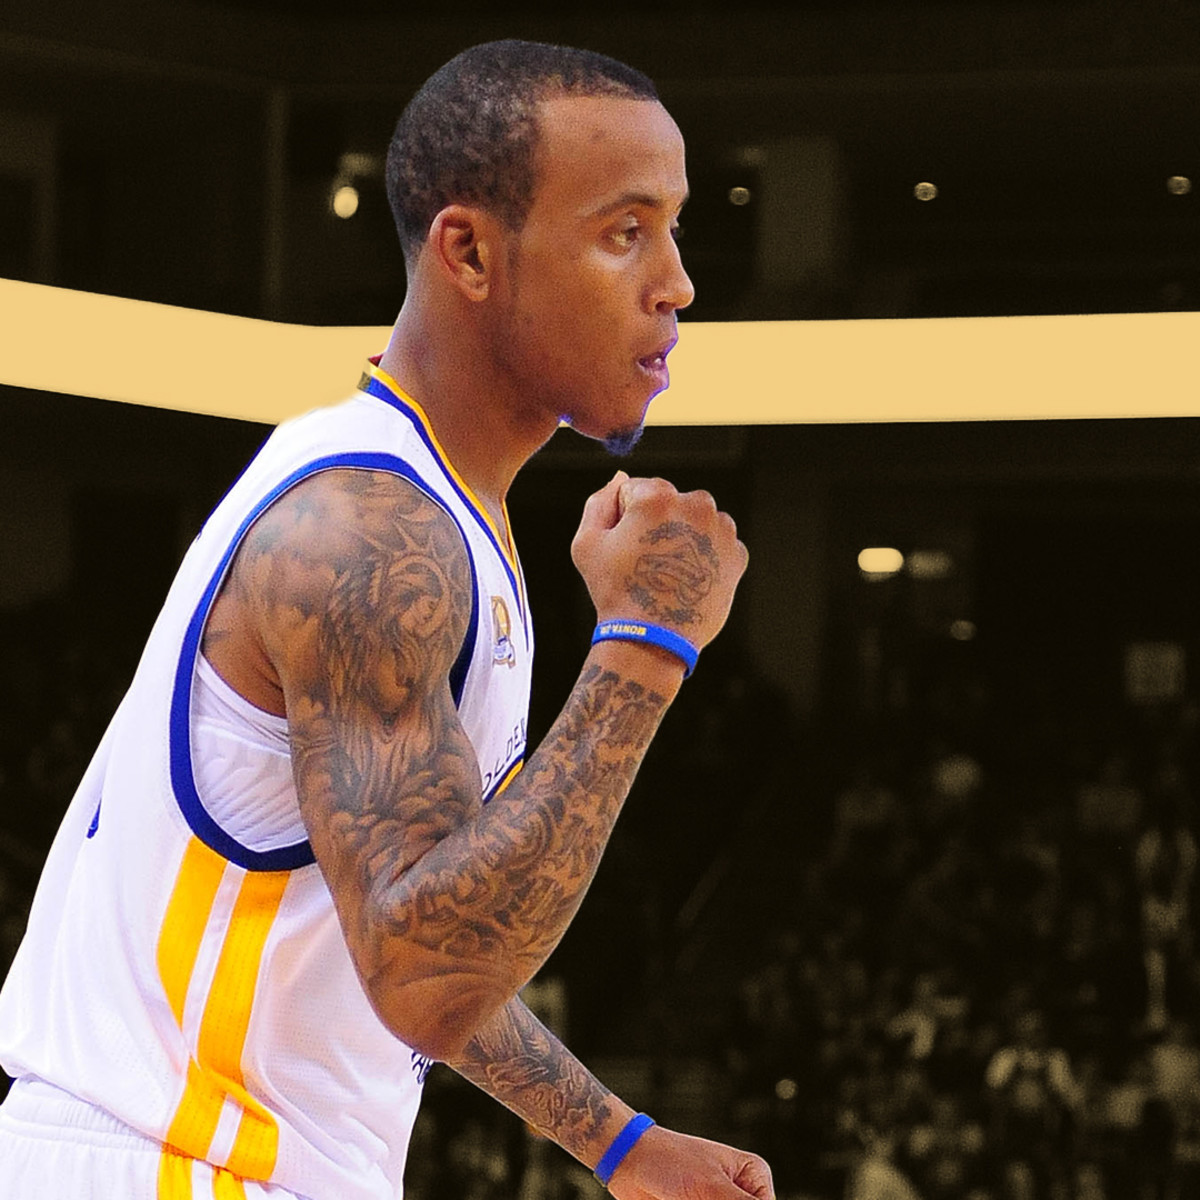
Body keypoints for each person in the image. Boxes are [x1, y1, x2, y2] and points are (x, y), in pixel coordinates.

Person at [0, 38, 771, 1200]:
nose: (678, 282)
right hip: (180, 1163)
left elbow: (401, 929)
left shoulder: (425, 504)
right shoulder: (368, 531)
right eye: (626, 232)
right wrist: (648, 646)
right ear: (469, 252)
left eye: (674, 228)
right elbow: (426, 970)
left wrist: (619, 1142)